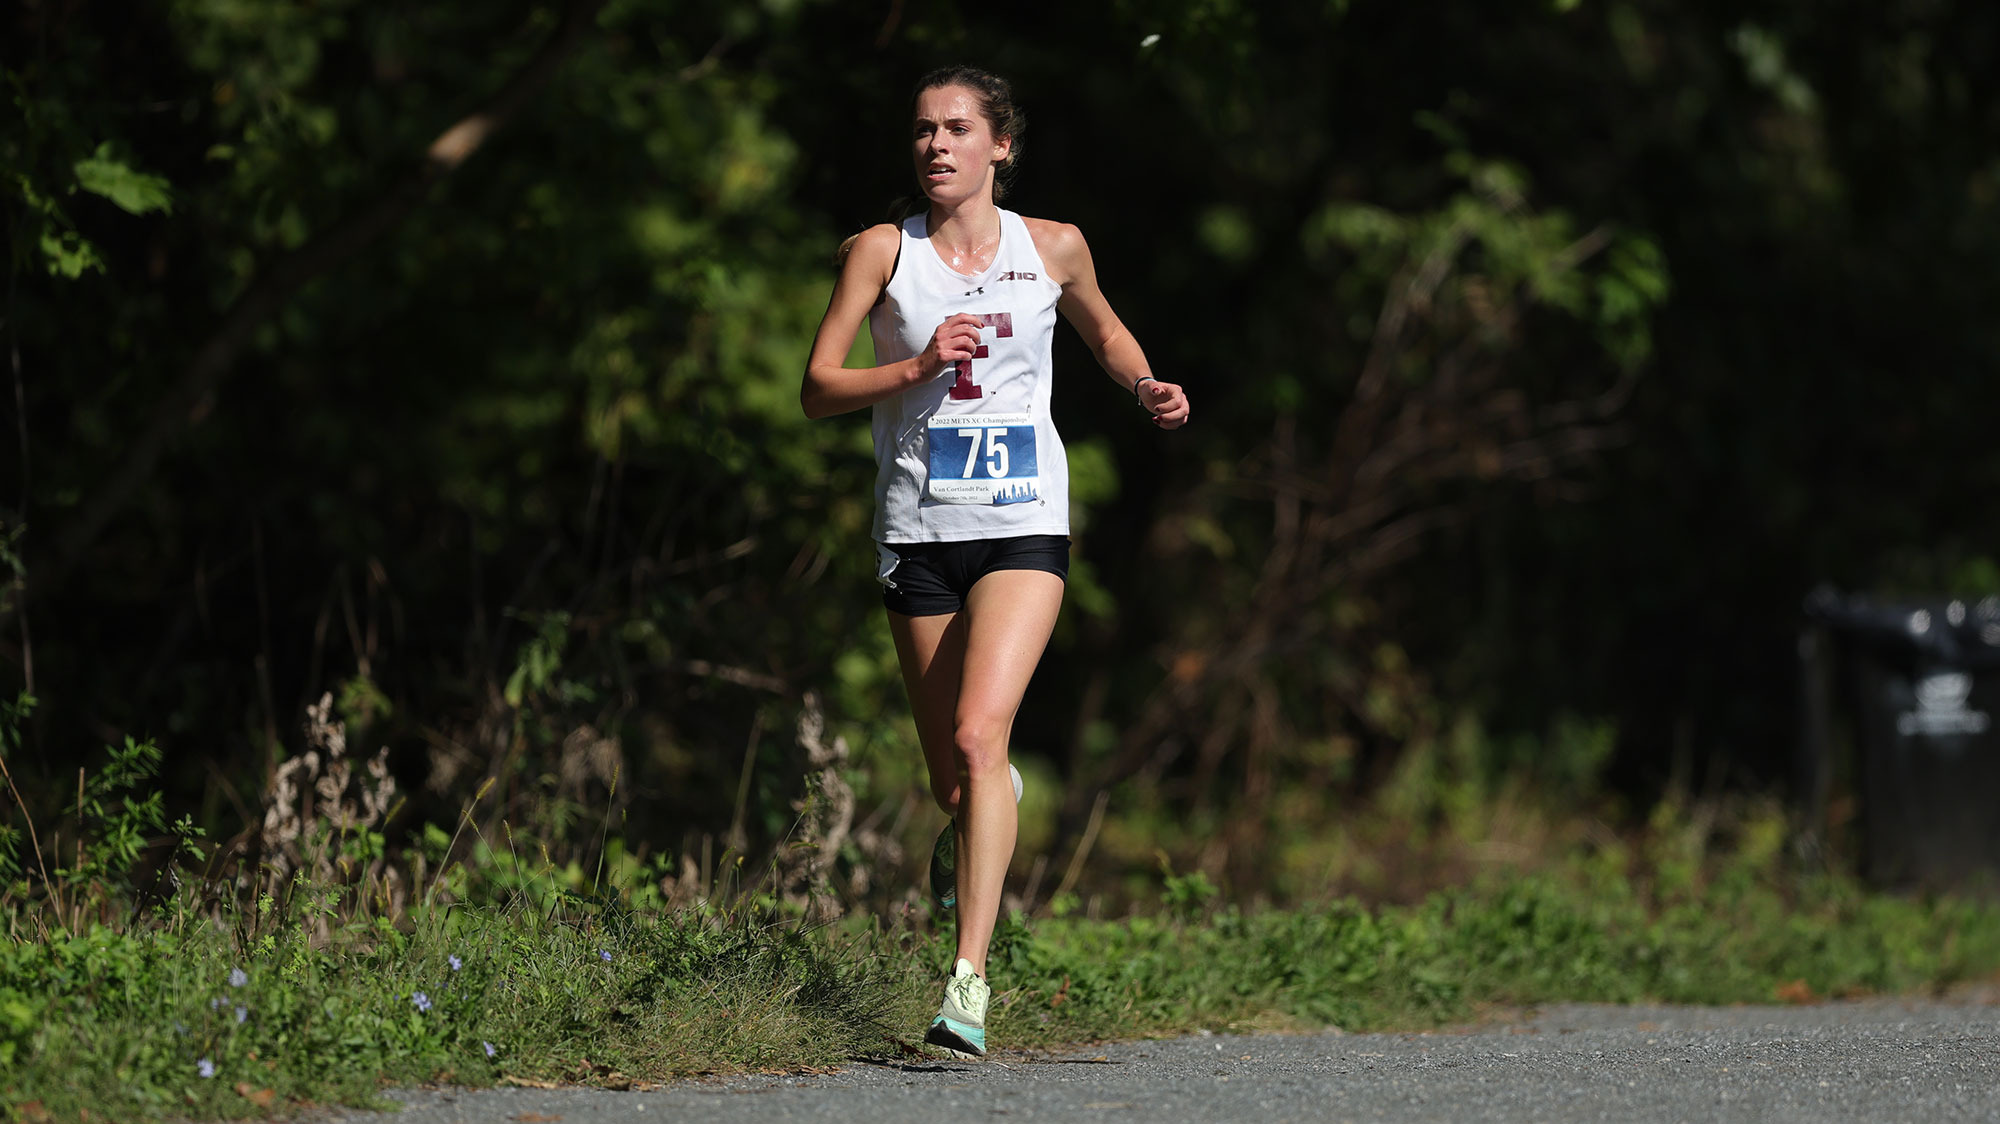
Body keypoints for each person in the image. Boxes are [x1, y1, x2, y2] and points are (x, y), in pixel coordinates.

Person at [801, 66, 1189, 1059]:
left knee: (980, 737)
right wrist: (917, 366)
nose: (934, 144)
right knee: (957, 780)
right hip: (917, 529)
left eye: (955, 128)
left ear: (998, 147)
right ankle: (978, 823)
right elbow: (818, 387)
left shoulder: (1050, 246)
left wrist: (1144, 383)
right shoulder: (879, 253)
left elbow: (1100, 329)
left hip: (1023, 522)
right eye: (922, 130)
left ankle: (967, 977)